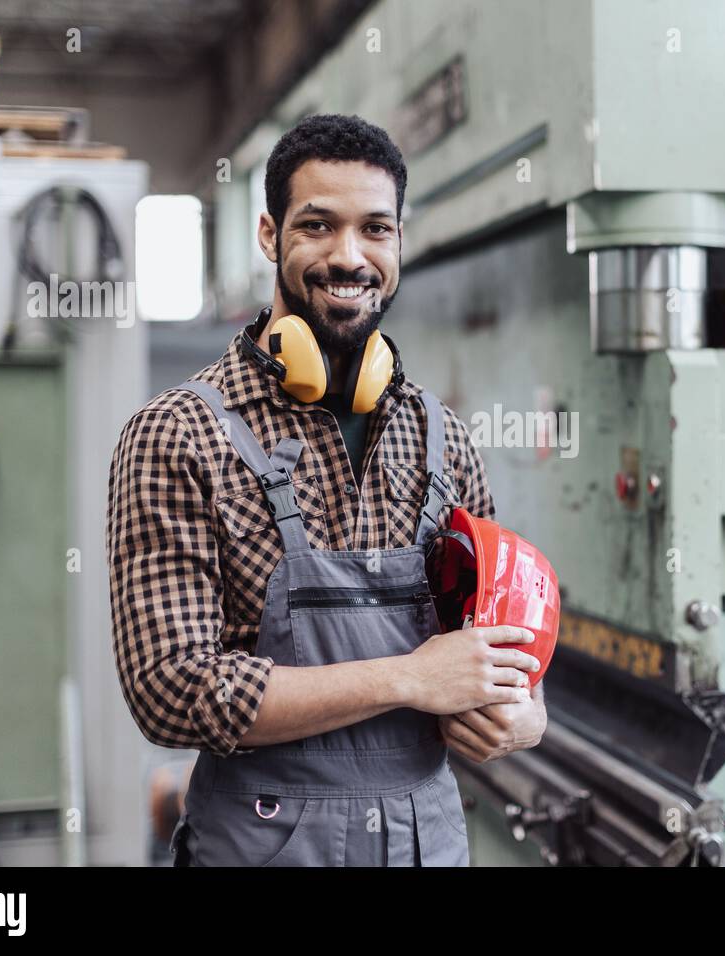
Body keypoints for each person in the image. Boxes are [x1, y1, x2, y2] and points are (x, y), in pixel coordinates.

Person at [106, 114, 546, 866]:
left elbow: (503, 650)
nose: (350, 256)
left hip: (425, 848)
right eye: (319, 226)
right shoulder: (178, 433)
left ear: (400, 240)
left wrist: (522, 716)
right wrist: (410, 678)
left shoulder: (442, 437)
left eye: (376, 229)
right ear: (270, 235)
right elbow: (171, 690)